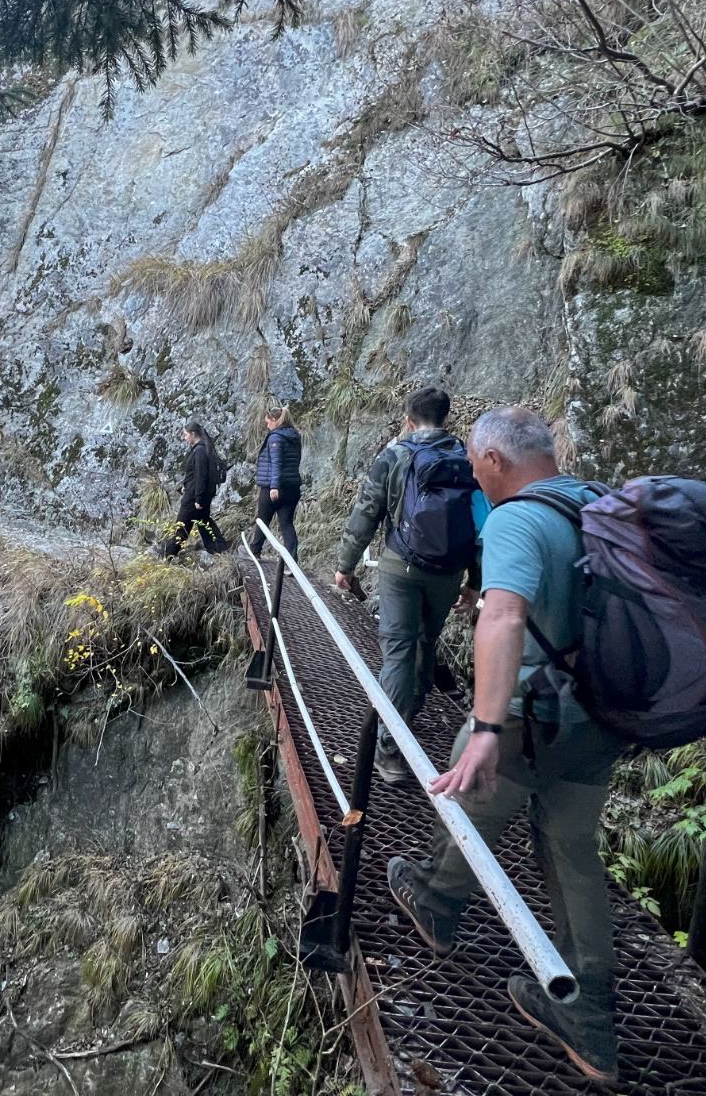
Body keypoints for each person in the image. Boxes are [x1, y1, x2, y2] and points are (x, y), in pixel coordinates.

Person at [385, 406, 624, 1084]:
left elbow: (505, 615)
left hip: (532, 715)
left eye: (473, 464)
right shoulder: (595, 502)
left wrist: (486, 729)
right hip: (600, 715)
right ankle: (591, 1016)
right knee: (572, 848)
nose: (474, 478)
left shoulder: (519, 516)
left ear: (493, 461)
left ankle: (434, 898)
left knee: (468, 795)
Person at [333, 387, 478, 785]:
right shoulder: (467, 457)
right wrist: (475, 581)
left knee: (397, 652)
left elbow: (366, 511)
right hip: (449, 571)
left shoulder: (396, 455)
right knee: (425, 644)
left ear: (409, 420)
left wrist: (346, 566)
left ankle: (390, 750)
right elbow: (481, 523)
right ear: (445, 418)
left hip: (401, 566)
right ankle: (409, 714)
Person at [164, 422, 230, 558]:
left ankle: (167, 554)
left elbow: (201, 476)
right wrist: (185, 485)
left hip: (194, 497)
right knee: (204, 522)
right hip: (199, 493)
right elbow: (194, 474)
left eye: (186, 434)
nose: (184, 437)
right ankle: (220, 548)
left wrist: (198, 498)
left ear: (193, 434)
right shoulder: (203, 448)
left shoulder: (199, 451)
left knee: (182, 527)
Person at [249, 405, 303, 559]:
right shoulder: (295, 436)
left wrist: (274, 487)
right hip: (292, 487)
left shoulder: (275, 437)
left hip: (274, 487)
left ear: (274, 420)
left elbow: (276, 463)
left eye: (268, 422)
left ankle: (254, 551)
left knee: (262, 520)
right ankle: (292, 562)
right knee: (286, 524)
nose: (267, 426)